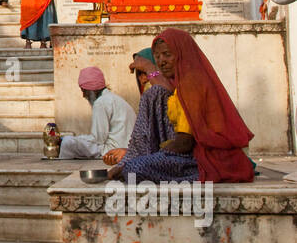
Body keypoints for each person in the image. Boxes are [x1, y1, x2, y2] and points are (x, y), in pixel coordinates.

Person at [108, 30, 254, 184]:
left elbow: (185, 142)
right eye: (157, 57)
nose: (162, 61)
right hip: (186, 153)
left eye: (167, 54)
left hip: (205, 159)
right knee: (133, 166)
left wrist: (153, 158)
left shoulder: (190, 82)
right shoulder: (177, 84)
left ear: (182, 53)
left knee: (134, 168)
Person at [102, 48, 174, 167]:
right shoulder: (149, 99)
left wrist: (130, 156)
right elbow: (150, 144)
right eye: (139, 74)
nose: (143, 79)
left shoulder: (166, 94)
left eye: (145, 73)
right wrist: (128, 153)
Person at [58, 66, 136, 160]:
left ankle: (62, 168)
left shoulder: (101, 103)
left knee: (67, 142)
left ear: (91, 90)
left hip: (113, 150)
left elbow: (99, 139)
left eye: (84, 91)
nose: (83, 96)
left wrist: (75, 139)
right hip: (127, 148)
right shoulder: (113, 99)